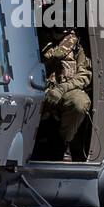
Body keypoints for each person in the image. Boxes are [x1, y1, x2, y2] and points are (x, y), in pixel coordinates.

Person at [41, 27, 91, 161]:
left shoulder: (77, 43)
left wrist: (61, 89)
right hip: (40, 86)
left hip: (66, 88)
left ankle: (63, 143)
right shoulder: (37, 37)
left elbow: (84, 76)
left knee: (79, 103)